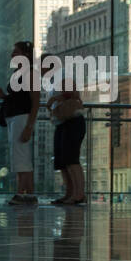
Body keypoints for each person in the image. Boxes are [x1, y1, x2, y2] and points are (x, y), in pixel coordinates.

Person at [0, 40, 37, 204]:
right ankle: (30, 194)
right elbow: (21, 97)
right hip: (15, 117)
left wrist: (29, 126)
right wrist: (5, 96)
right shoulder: (19, 73)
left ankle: (20, 193)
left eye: (15, 52)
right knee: (20, 156)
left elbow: (35, 100)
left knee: (20, 156)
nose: (12, 55)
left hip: (21, 118)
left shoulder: (30, 74)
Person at [44, 53, 86, 205]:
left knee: (71, 159)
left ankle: (79, 194)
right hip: (62, 123)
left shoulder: (62, 75)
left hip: (72, 121)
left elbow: (73, 94)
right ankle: (70, 193)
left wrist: (55, 99)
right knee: (62, 161)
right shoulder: (53, 79)